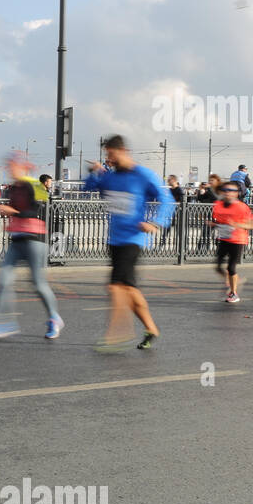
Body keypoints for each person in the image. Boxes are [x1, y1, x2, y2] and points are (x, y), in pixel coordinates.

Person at [84, 135, 174, 350]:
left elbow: (167, 199)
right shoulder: (110, 177)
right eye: (107, 155)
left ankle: (118, 334)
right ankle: (151, 328)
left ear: (123, 150)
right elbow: (88, 188)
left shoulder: (143, 175)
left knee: (115, 287)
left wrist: (156, 222)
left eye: (111, 154)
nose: (109, 159)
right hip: (114, 238)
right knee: (130, 289)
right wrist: (94, 172)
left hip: (133, 239)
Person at [0, 152, 64, 339]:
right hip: (17, 239)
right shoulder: (13, 188)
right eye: (8, 165)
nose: (10, 168)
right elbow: (15, 210)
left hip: (35, 238)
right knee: (3, 280)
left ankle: (54, 318)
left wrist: (13, 212)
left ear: (23, 166)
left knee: (38, 284)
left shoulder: (32, 185)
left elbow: (35, 211)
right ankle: (3, 323)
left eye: (13, 165)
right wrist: (8, 216)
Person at [211, 179, 253, 303]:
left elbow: (251, 225)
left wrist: (237, 224)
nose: (227, 193)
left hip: (238, 240)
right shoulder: (218, 205)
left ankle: (234, 293)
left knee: (231, 267)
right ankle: (234, 280)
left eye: (231, 190)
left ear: (236, 193)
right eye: (225, 190)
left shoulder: (242, 207)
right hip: (224, 238)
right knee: (218, 266)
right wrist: (214, 224)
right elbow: (220, 221)